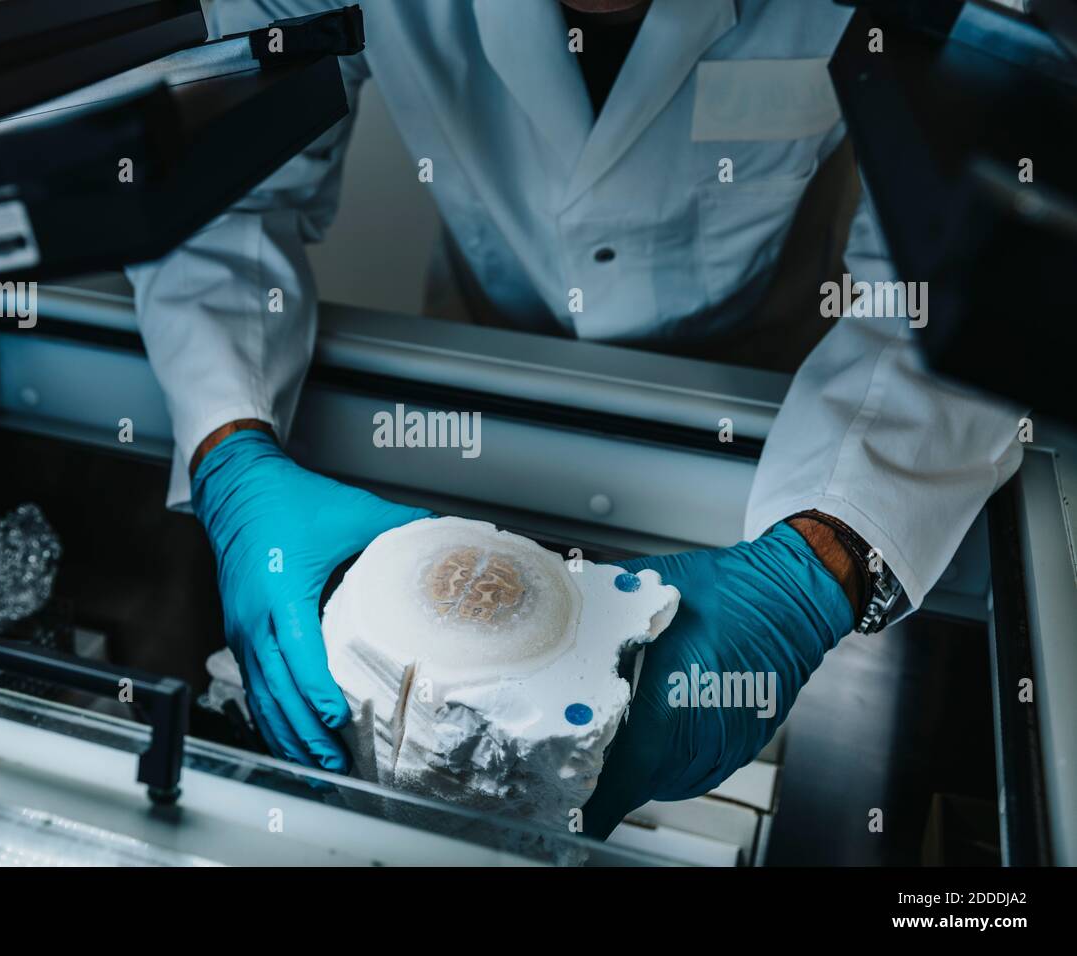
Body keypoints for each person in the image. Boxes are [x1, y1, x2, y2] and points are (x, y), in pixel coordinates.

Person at [126, 0, 1022, 837]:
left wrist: (818, 564)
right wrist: (230, 449)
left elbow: (970, 261)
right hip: (487, 369)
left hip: (769, 405)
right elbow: (221, 190)